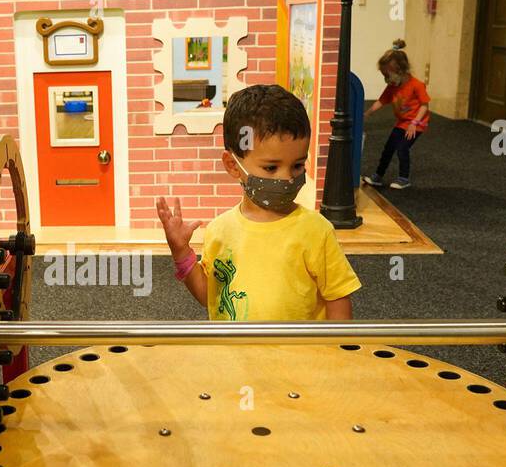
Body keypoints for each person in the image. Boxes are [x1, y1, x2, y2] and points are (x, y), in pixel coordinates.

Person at [156, 84, 360, 321]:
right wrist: (181, 253)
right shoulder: (219, 231)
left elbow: (337, 298)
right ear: (233, 165)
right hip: (235, 356)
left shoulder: (317, 231)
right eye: (271, 167)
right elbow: (208, 296)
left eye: (297, 165)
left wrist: (338, 351)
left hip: (298, 357)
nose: (287, 178)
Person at [362, 40, 430, 190]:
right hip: (402, 122)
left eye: (388, 75)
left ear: (400, 70)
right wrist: (367, 113)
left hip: (416, 124)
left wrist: (415, 123)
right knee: (388, 147)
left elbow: (424, 105)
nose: (386, 79)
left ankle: (404, 178)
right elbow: (381, 101)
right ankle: (378, 176)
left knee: (402, 148)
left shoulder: (416, 85)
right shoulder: (392, 86)